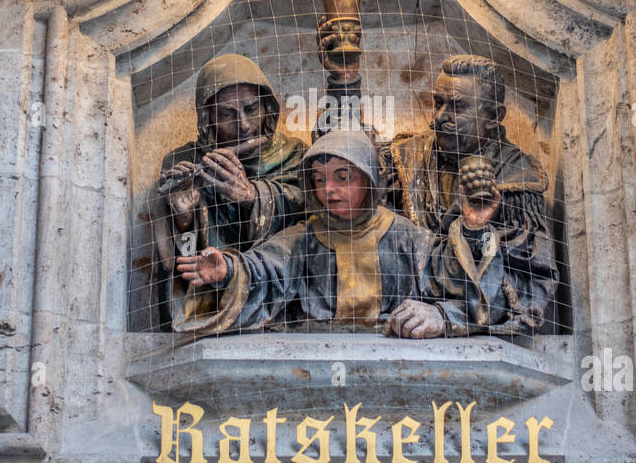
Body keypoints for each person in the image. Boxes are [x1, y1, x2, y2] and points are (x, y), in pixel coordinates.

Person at [171, 130, 503, 337]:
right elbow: (265, 270)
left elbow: (457, 278)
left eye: (343, 176)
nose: (329, 190)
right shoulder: (303, 239)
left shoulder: (404, 236)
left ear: (370, 180)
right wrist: (228, 269)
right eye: (319, 179)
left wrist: (473, 227)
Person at [386, 55, 557, 334]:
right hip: (397, 323)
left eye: (458, 106)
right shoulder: (402, 158)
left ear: (494, 116)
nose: (439, 118)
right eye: (438, 103)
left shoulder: (517, 182)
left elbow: (526, 292)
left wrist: (447, 315)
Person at [153, 54, 308, 326]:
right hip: (210, 300)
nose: (245, 125)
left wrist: (252, 196)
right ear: (207, 118)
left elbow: (311, 221)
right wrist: (184, 218)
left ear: (267, 107)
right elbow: (177, 260)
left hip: (279, 299)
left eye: (251, 109)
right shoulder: (184, 160)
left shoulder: (294, 155)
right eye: (227, 114)